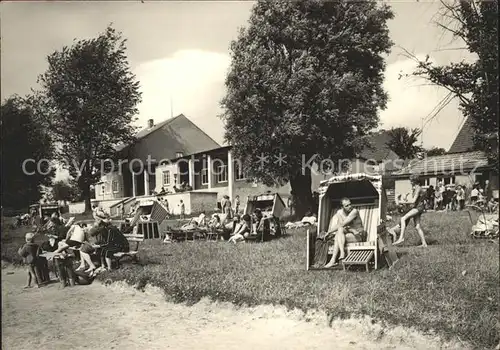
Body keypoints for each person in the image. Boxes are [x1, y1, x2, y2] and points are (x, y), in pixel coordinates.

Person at [322, 198, 367, 268]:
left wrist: (329, 232)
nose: (350, 206)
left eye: (350, 204)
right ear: (342, 207)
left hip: (358, 235)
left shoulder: (354, 211)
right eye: (347, 206)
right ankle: (341, 254)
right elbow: (341, 226)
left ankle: (333, 260)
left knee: (337, 236)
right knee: (339, 232)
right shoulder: (339, 212)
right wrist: (350, 229)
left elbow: (343, 224)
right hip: (349, 233)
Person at [391, 174, 428, 247]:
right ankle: (424, 243)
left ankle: (401, 238)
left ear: (415, 181)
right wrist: (405, 197)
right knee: (417, 226)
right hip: (419, 207)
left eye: (411, 181)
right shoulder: (416, 188)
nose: (410, 182)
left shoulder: (418, 189)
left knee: (403, 218)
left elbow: (413, 201)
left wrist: (401, 202)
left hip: (418, 208)